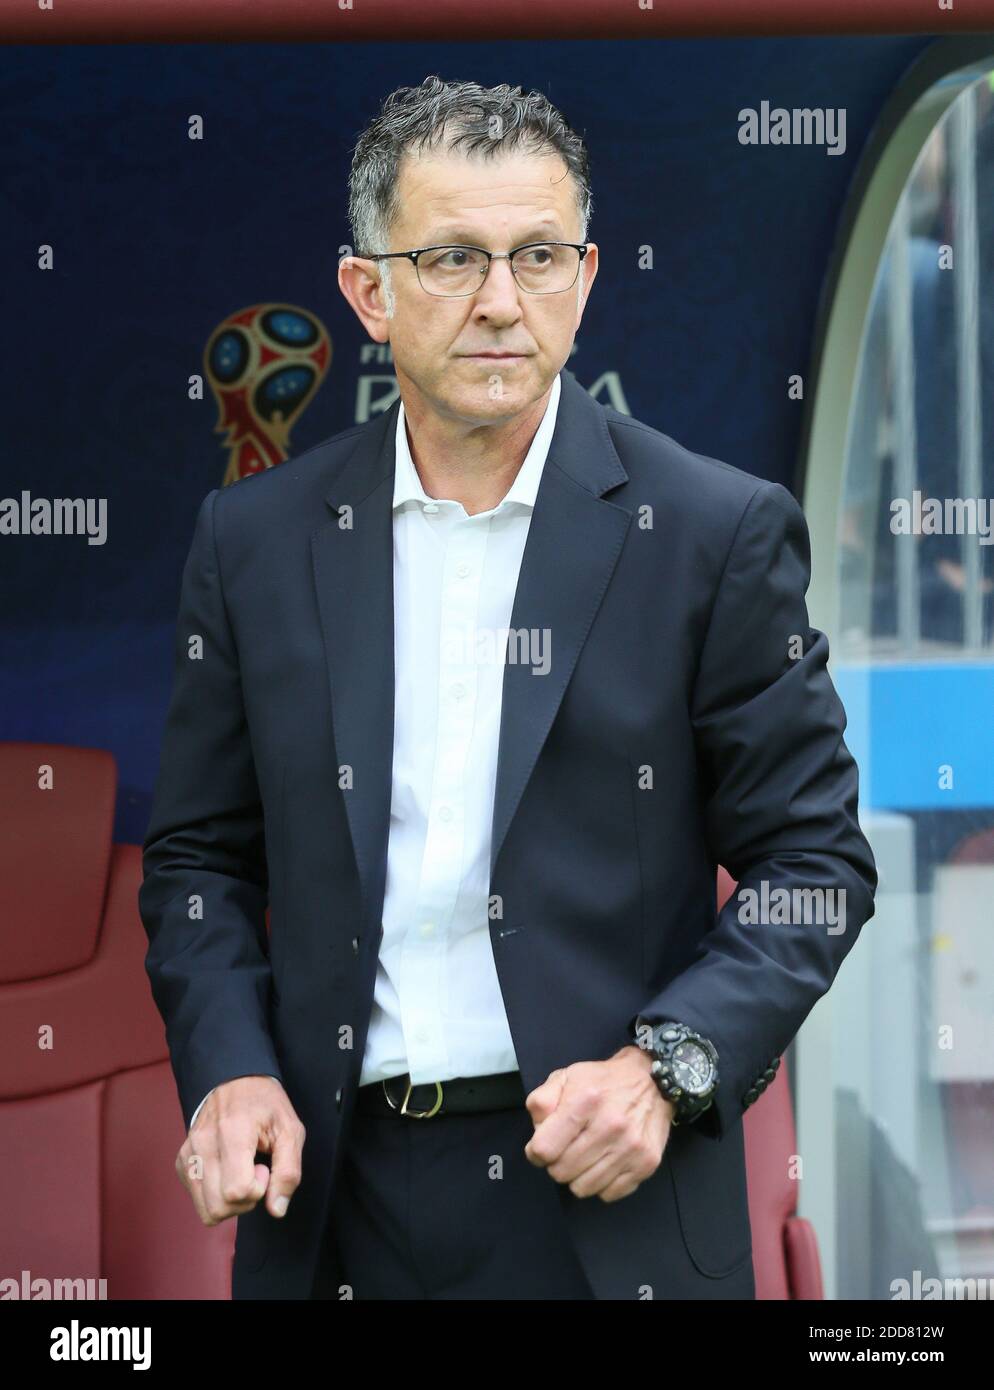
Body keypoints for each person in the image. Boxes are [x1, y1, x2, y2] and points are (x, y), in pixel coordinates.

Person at [139, 75, 878, 1301]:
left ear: (584, 282)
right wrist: (230, 1067)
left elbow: (815, 867)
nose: (499, 302)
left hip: (608, 1203)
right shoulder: (254, 538)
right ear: (367, 292)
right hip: (329, 1203)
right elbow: (201, 861)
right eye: (450, 259)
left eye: (538, 257)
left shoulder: (712, 530)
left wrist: (666, 1068)